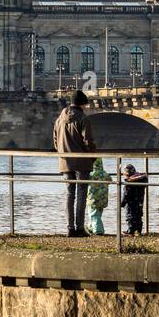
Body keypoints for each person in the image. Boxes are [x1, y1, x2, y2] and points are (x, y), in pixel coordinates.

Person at [53, 89, 98, 237]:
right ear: (83, 104)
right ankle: (79, 228)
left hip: (65, 161)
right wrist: (93, 157)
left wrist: (62, 154)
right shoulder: (83, 119)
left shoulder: (60, 119)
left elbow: (55, 140)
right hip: (82, 162)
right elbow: (88, 141)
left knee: (69, 194)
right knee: (81, 195)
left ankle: (70, 228)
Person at [86, 158, 110, 236]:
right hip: (103, 198)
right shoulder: (105, 173)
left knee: (93, 215)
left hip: (93, 199)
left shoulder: (91, 174)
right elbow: (110, 180)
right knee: (97, 215)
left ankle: (98, 231)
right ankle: (90, 227)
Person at [121, 163, 146, 235]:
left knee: (130, 216)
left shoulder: (128, 183)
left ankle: (131, 231)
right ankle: (138, 231)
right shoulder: (141, 180)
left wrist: (122, 203)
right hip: (139, 201)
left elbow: (126, 194)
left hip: (130, 203)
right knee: (138, 216)